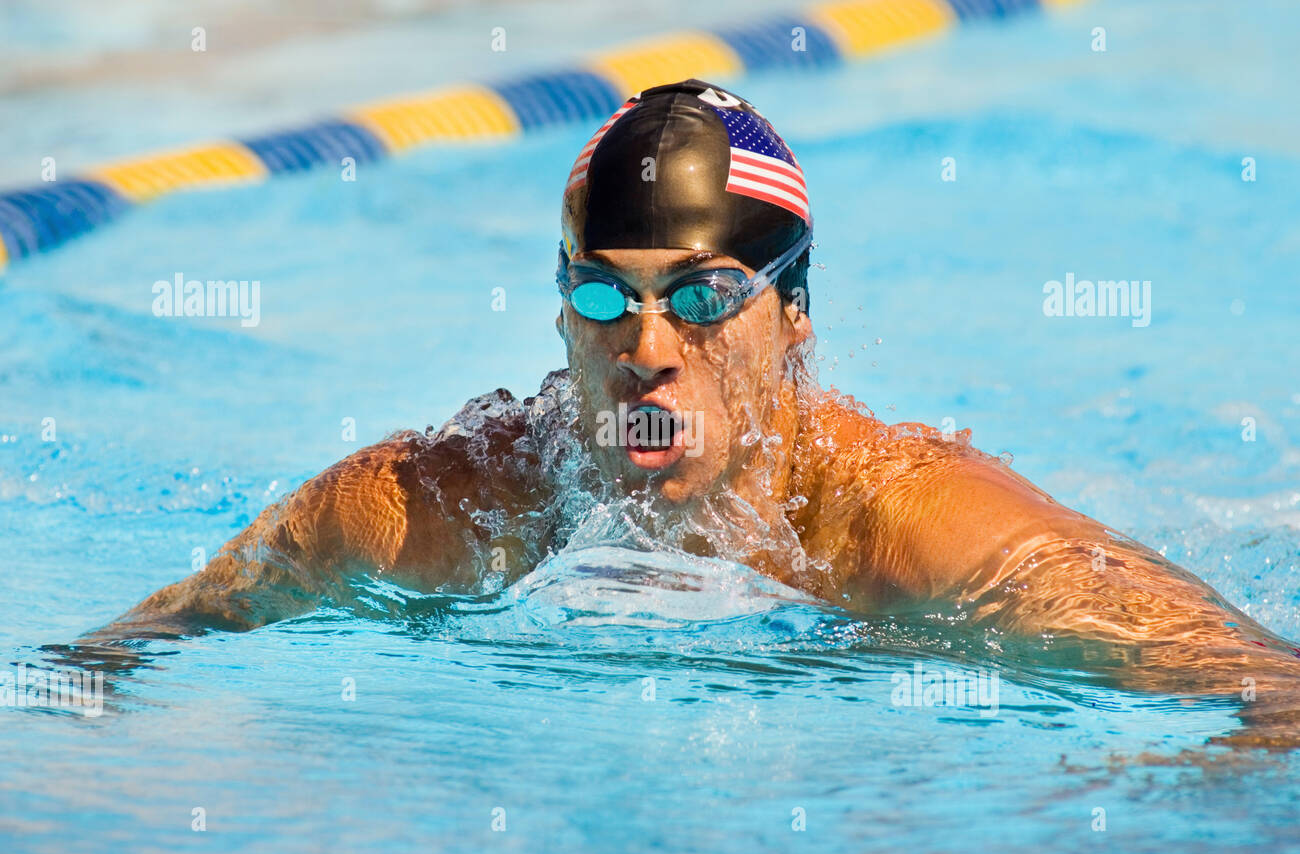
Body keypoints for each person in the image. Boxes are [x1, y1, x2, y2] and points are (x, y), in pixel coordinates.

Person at [102, 80, 1299, 739]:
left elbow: (1270, 691)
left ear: (794, 317)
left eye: (701, 295)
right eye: (603, 295)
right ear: (562, 319)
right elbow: (124, 647)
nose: (647, 348)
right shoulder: (441, 508)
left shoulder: (908, 532)